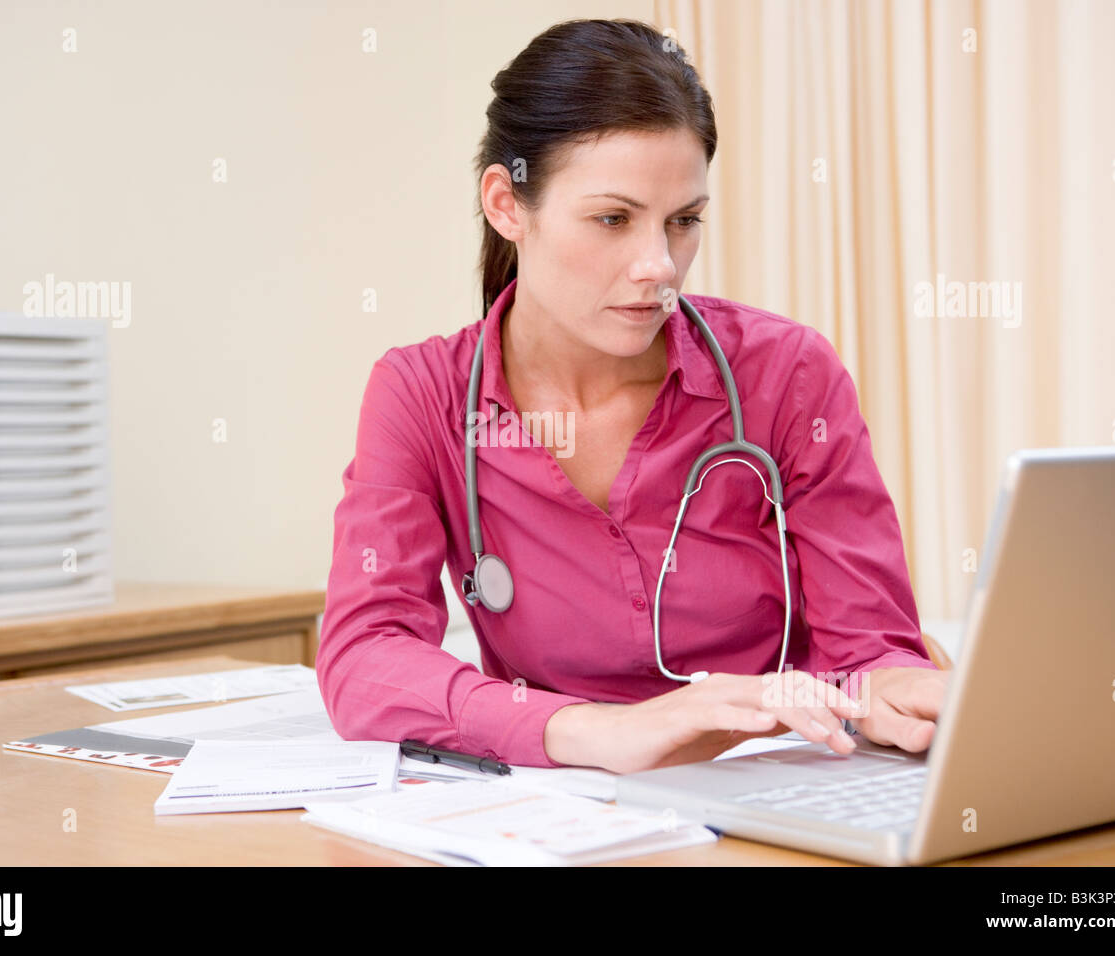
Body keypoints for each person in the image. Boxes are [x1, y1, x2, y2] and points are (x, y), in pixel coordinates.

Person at [317, 18, 949, 775]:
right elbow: (363, 656)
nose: (659, 266)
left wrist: (887, 688)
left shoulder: (787, 375)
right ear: (506, 204)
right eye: (613, 219)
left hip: (781, 781)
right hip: (560, 804)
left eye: (683, 222)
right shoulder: (421, 396)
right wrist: (599, 733)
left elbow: (870, 649)